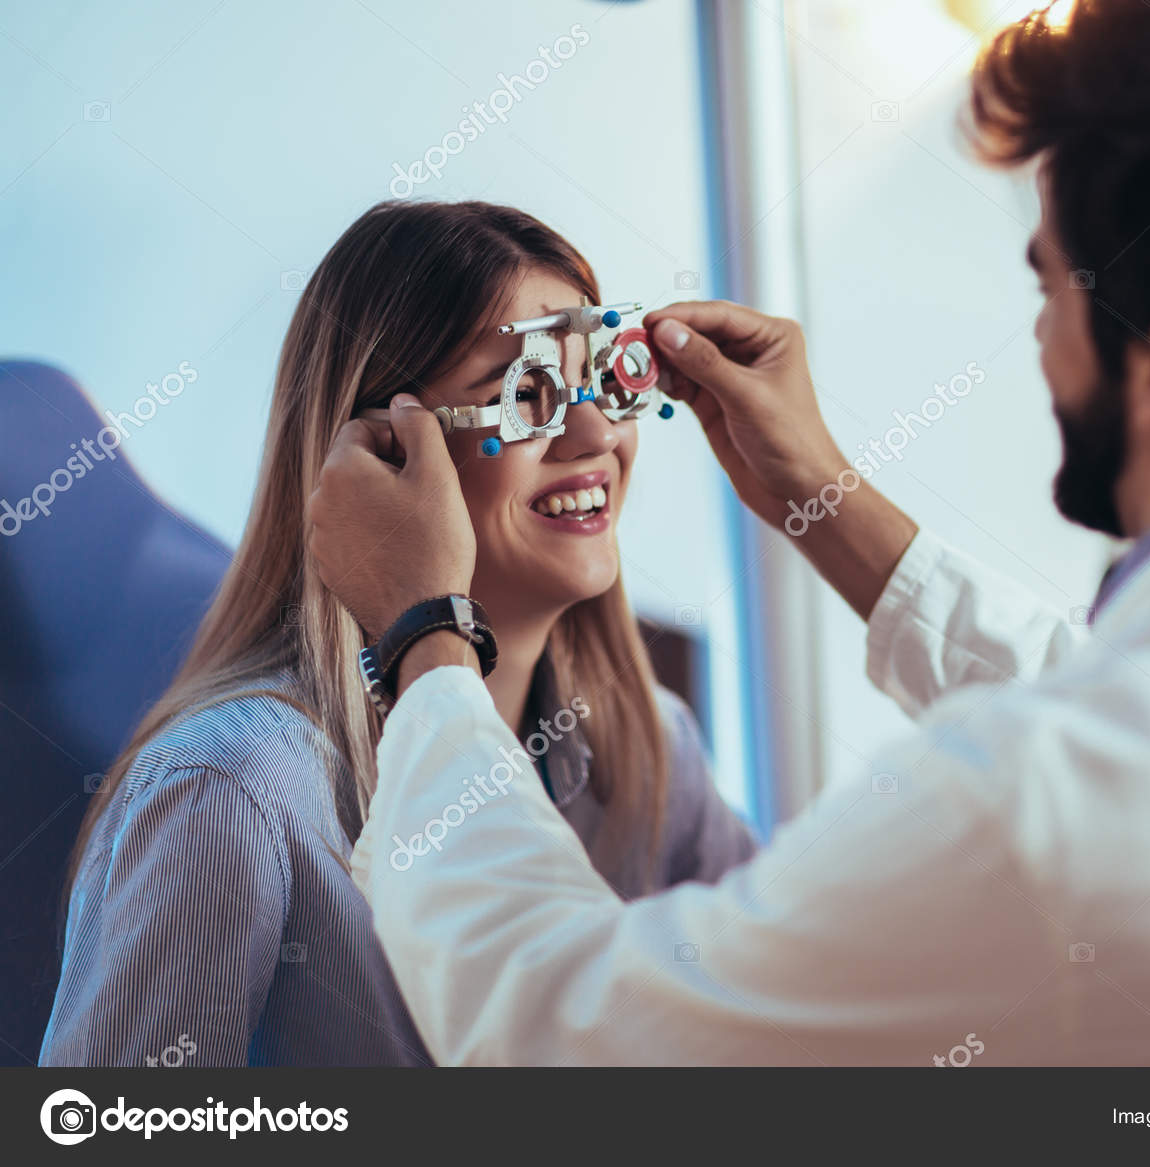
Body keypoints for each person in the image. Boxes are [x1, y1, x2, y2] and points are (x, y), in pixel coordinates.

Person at [311, 0, 1150, 1064]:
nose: (1036, 333)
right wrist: (817, 493)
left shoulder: (1043, 813)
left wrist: (427, 639)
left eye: (1048, 283)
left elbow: (563, 1038)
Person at [41, 201, 753, 1067]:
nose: (598, 434)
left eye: (606, 381)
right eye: (525, 394)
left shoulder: (648, 748)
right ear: (374, 463)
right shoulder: (231, 792)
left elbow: (773, 1032)